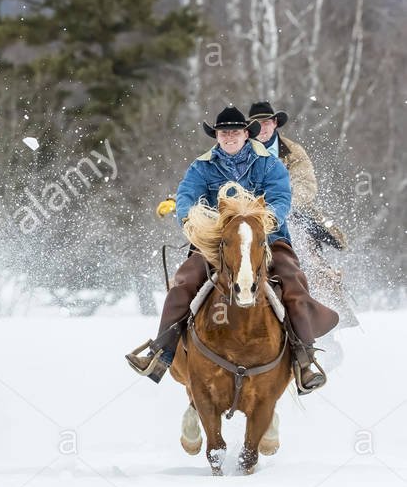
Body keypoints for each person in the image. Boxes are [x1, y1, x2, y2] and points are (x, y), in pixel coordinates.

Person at [125, 105, 338, 393]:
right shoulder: (202, 165)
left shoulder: (269, 164)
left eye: (234, 132)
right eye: (223, 133)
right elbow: (188, 195)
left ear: (245, 134)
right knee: (184, 281)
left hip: (267, 239)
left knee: (293, 282)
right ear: (217, 136)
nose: (229, 137)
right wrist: (189, 218)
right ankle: (161, 353)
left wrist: (267, 219)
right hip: (216, 243)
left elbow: (281, 197)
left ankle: (304, 360)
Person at [249, 101, 355, 323]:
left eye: (266, 122)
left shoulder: (293, 151)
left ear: (275, 123)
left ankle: (323, 309)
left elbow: (305, 185)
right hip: (248, 214)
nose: (263, 127)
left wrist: (281, 204)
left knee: (302, 250)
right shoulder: (240, 149)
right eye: (257, 123)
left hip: (290, 213)